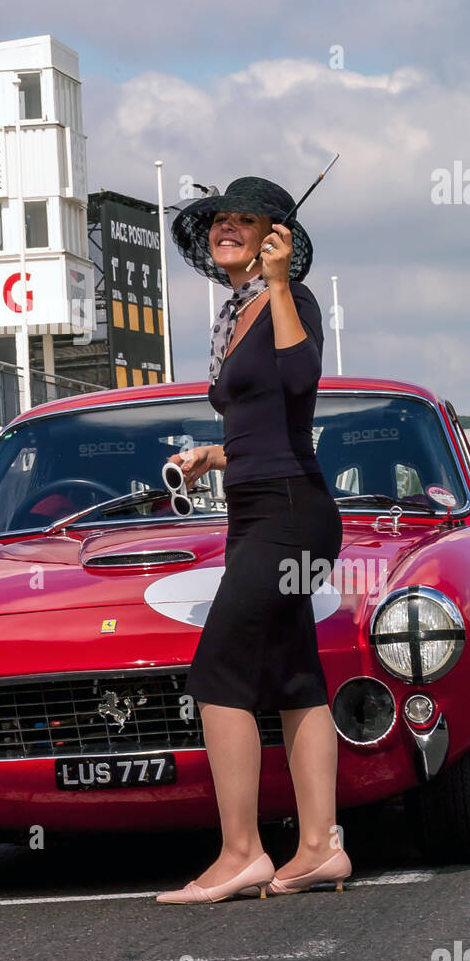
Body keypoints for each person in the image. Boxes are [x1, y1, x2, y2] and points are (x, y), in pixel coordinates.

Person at [155, 177, 351, 904]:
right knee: (295, 673)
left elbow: (301, 380)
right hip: (257, 505)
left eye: (244, 220)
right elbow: (266, 427)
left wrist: (277, 281)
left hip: (290, 513)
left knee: (219, 668)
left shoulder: (286, 300)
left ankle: (241, 852)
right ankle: (320, 848)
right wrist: (213, 455)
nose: (226, 229)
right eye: (219, 220)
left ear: (276, 236)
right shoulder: (237, 313)